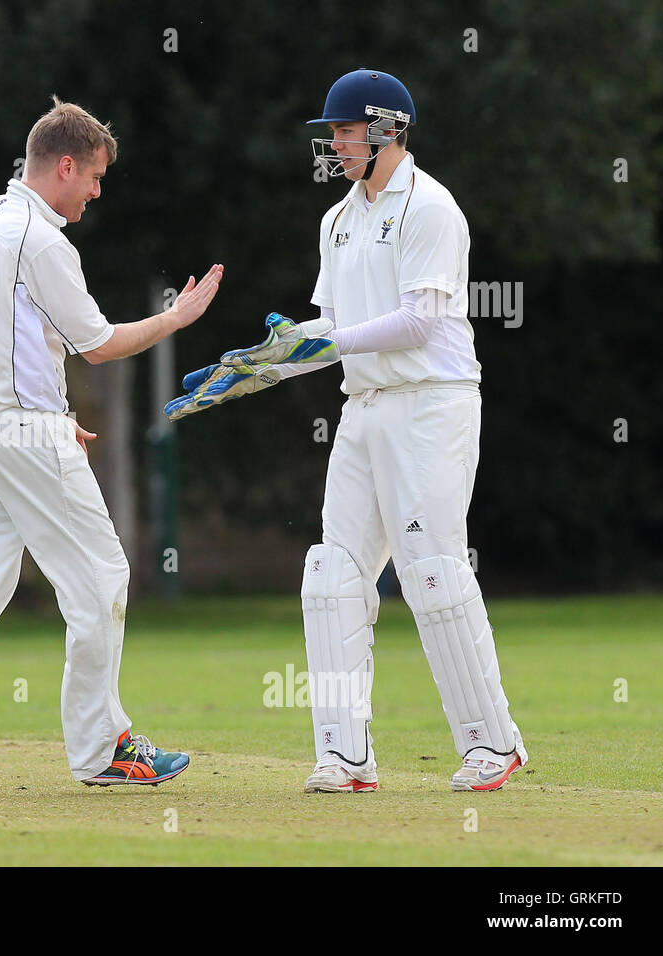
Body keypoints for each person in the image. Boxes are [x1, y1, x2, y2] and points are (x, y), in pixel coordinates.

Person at [166, 70, 528, 793]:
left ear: (387, 128)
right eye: (330, 134)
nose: (333, 145)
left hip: (432, 403)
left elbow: (421, 319)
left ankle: (494, 745)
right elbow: (329, 331)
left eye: (343, 131)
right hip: (364, 409)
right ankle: (345, 754)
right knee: (331, 576)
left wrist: (322, 348)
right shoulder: (337, 220)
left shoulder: (431, 207)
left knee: (431, 569)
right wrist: (256, 368)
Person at [0, 96, 224, 793]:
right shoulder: (42, 241)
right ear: (64, 166)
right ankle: (105, 748)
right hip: (19, 432)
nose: (97, 191)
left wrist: (45, 412)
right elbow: (97, 345)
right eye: (93, 176)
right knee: (102, 581)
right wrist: (176, 317)